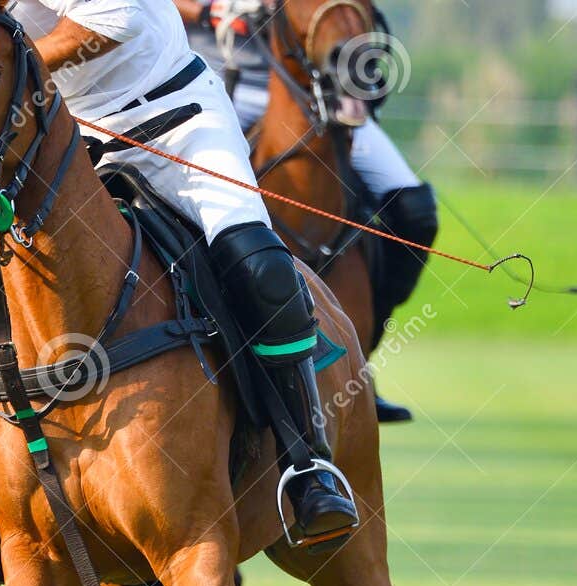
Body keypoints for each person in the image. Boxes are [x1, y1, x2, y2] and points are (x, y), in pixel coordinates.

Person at [0, 0, 359, 569]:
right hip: (57, 140)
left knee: (258, 264)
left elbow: (117, 19)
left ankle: (307, 465)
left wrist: (9, 67)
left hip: (175, 118)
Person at [183, 0, 438, 420]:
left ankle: (360, 362)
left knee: (414, 209)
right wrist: (209, 8)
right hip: (209, 87)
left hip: (310, 91)